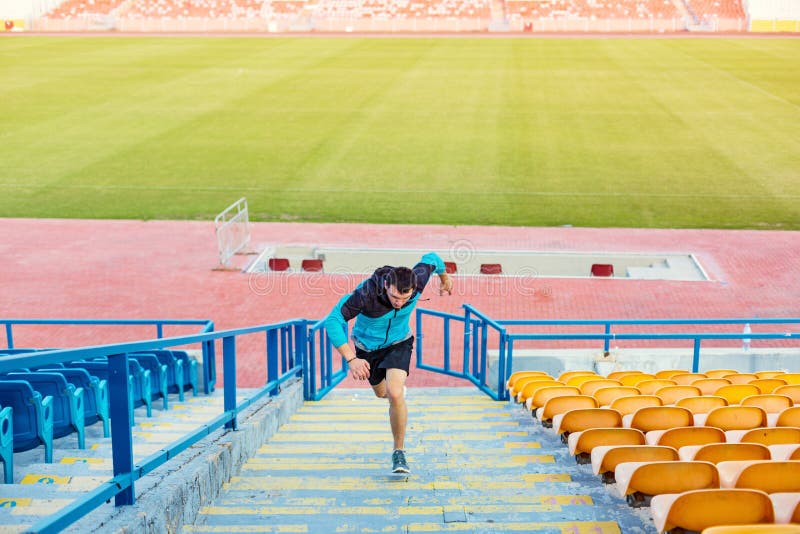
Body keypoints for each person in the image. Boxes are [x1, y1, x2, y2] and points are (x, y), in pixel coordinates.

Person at [324, 252, 453, 473]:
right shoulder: (366, 294)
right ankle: (394, 393)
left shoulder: (418, 278)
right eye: (395, 297)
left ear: (413, 288)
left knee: (394, 393)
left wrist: (444, 278)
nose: (399, 303)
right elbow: (333, 320)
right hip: (367, 349)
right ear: (386, 285)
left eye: (405, 298)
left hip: (399, 342)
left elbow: (432, 258)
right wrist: (351, 359)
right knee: (382, 393)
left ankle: (399, 453)